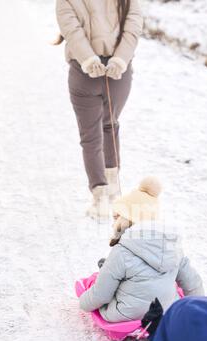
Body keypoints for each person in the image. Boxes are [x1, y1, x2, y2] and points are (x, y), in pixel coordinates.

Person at [55, 1, 143, 218]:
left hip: (83, 72)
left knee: (90, 135)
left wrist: (89, 59)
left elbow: (72, 31)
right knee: (109, 126)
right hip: (118, 73)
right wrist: (120, 59)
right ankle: (113, 192)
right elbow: (133, 27)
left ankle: (100, 199)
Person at [78, 176, 204, 322]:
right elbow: (192, 282)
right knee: (174, 287)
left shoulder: (121, 251)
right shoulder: (172, 244)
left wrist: (83, 302)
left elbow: (101, 294)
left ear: (125, 220)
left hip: (126, 314)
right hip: (166, 311)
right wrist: (199, 309)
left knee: (103, 283)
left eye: (117, 217)